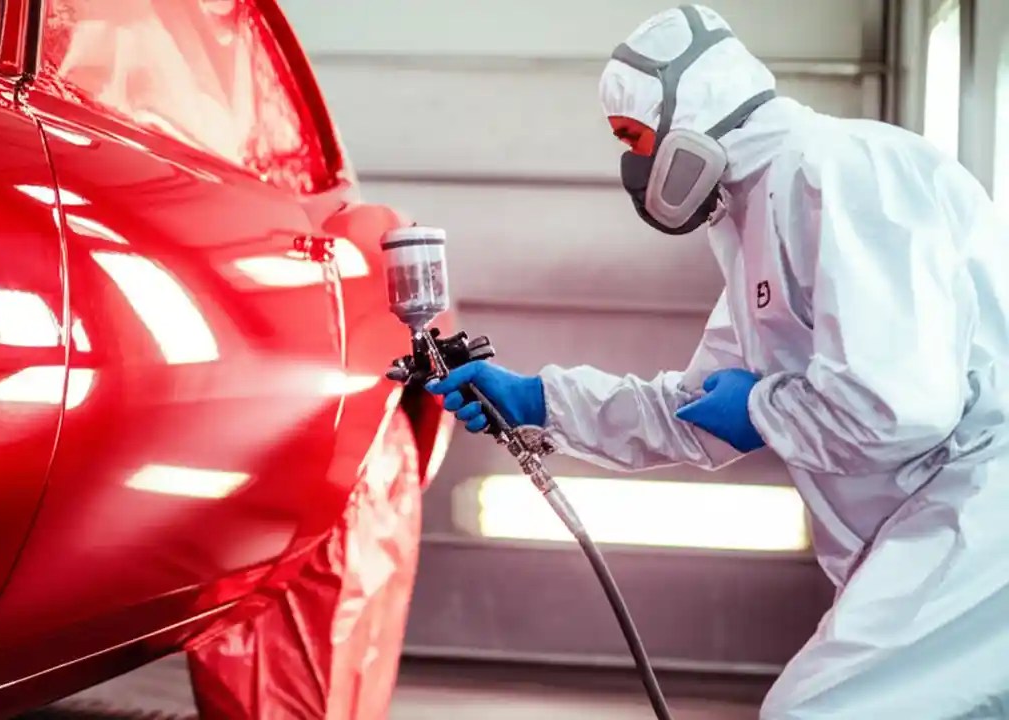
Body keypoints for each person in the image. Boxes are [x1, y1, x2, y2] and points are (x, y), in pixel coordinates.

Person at [427, 4, 1009, 718]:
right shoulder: (754, 213)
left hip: (983, 509)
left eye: (633, 137)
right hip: (936, 527)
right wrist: (538, 399)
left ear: (691, 117)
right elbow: (699, 413)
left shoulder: (840, 169)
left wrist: (762, 409)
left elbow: (899, 408)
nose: (632, 165)